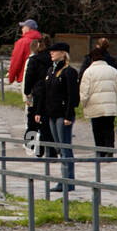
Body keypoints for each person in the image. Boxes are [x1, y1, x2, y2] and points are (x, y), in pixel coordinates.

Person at [34, 41, 80, 191]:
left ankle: (68, 181)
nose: (51, 53)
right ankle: (63, 180)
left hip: (62, 114)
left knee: (65, 147)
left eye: (55, 51)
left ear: (63, 53)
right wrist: (39, 111)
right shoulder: (51, 71)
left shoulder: (69, 72)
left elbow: (72, 96)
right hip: (51, 114)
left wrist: (68, 115)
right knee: (59, 148)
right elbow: (44, 93)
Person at [80, 46, 117, 157]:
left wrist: (83, 104)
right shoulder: (113, 71)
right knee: (108, 128)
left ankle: (100, 151)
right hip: (109, 106)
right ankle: (109, 149)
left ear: (92, 59)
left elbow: (84, 91)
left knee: (97, 129)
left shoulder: (88, 72)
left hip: (94, 106)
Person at [22, 36, 54, 155]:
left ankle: (30, 146)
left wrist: (27, 92)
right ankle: (49, 150)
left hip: (38, 92)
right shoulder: (52, 59)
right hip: (50, 92)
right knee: (46, 123)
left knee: (33, 121)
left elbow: (29, 77)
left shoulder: (34, 60)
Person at [7, 19, 43, 84]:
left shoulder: (22, 42)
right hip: (40, 79)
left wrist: (11, 78)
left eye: (23, 27)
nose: (22, 29)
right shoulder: (41, 41)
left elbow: (16, 61)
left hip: (25, 77)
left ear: (28, 28)